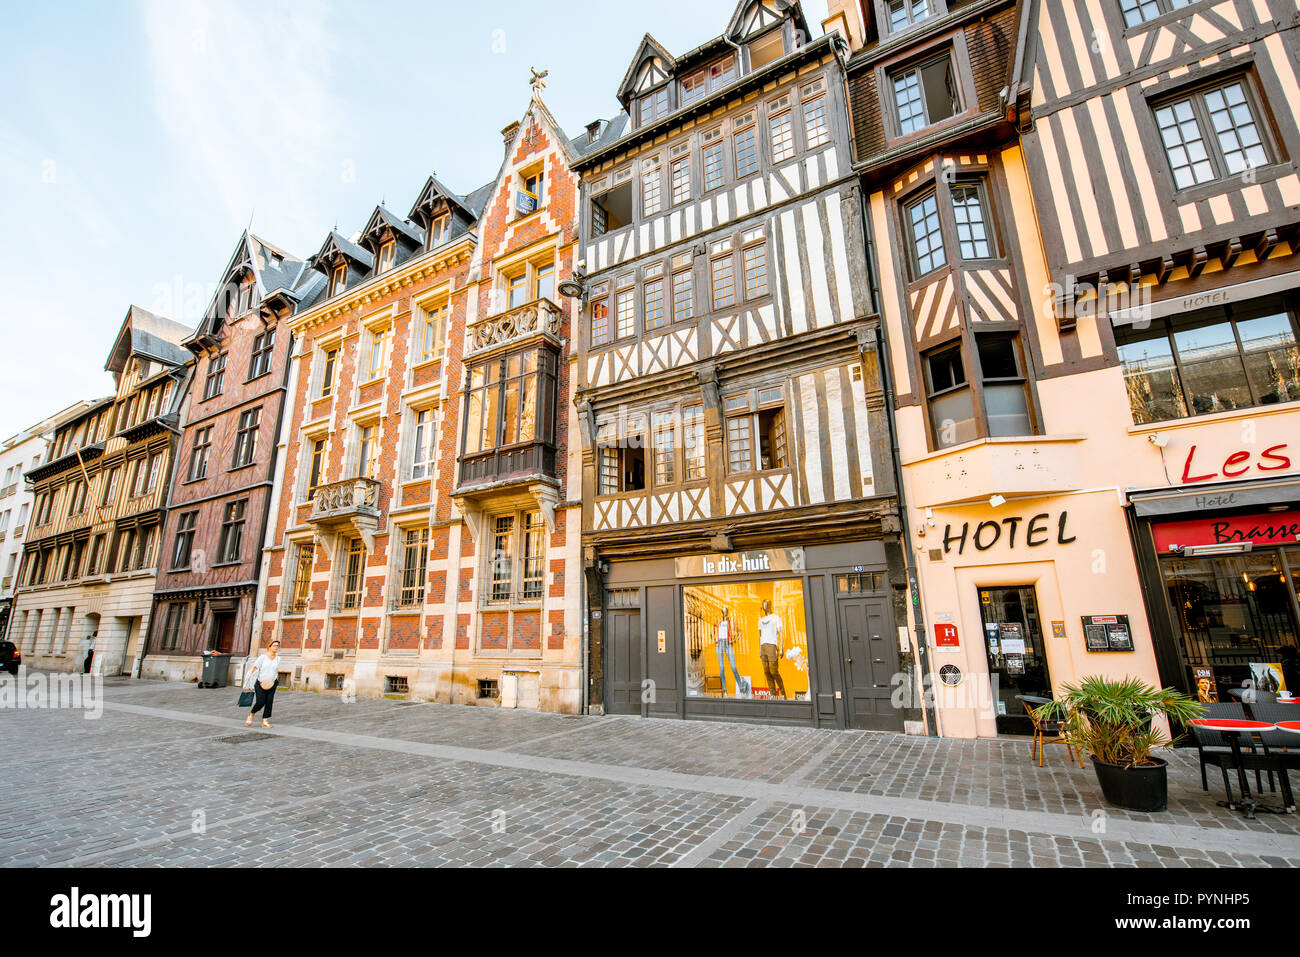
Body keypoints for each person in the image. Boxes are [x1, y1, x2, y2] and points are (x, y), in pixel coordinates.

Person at [245, 640, 281, 728]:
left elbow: (276, 670)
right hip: (260, 682)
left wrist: (275, 679)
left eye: (277, 646)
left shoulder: (278, 658)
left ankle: (265, 720)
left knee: (269, 701)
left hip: (272, 683)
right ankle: (251, 715)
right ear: (269, 647)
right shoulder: (262, 657)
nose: (276, 647)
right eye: (274, 645)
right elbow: (255, 668)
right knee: (260, 702)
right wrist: (249, 683)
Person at [757, 600, 786, 700]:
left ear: (769, 605)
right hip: (763, 646)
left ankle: (783, 693)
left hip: (772, 645)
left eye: (766, 604)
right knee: (766, 672)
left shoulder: (776, 618)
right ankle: (773, 694)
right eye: (763, 605)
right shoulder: (761, 620)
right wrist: (759, 649)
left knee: (774, 671)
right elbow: (760, 635)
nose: (764, 606)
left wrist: (781, 647)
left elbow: (781, 633)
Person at [715, 608, 743, 697]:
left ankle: (741, 688)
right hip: (719, 644)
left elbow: (739, 632)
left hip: (728, 643)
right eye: (723, 611)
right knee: (722, 668)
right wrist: (714, 639)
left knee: (733, 667)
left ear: (728, 612)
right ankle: (725, 690)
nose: (725, 613)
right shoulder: (718, 622)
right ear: (721, 612)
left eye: (726, 611)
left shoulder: (731, 622)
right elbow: (712, 633)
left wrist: (734, 640)